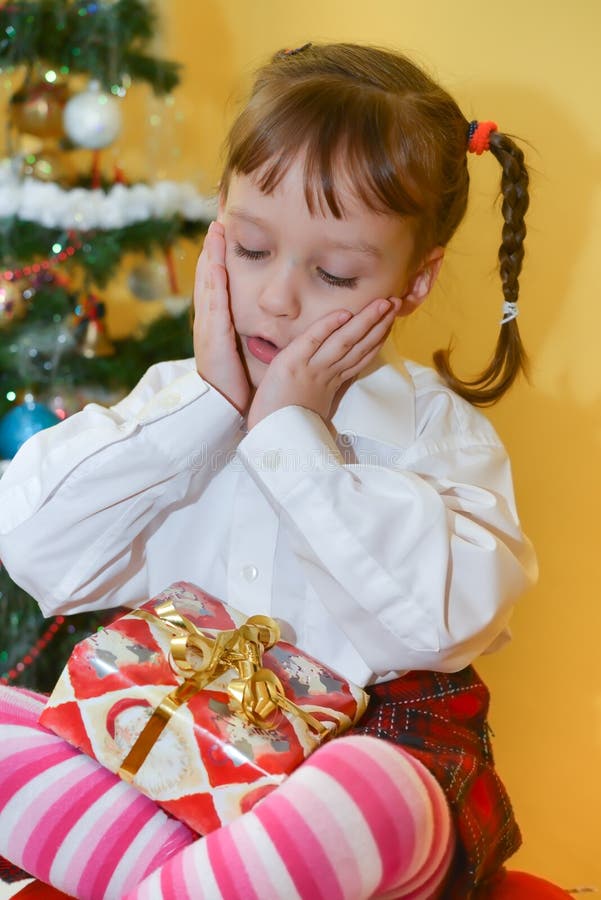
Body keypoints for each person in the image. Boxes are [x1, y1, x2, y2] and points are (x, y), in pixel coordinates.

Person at [0, 42, 537, 899]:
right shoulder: (177, 402)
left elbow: (435, 625)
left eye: (333, 273)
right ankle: (184, 879)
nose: (279, 299)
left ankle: (171, 874)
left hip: (355, 787)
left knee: (373, 793)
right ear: (219, 221)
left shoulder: (437, 431)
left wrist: (289, 434)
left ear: (412, 281)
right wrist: (211, 407)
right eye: (250, 249)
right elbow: (33, 547)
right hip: (175, 765)